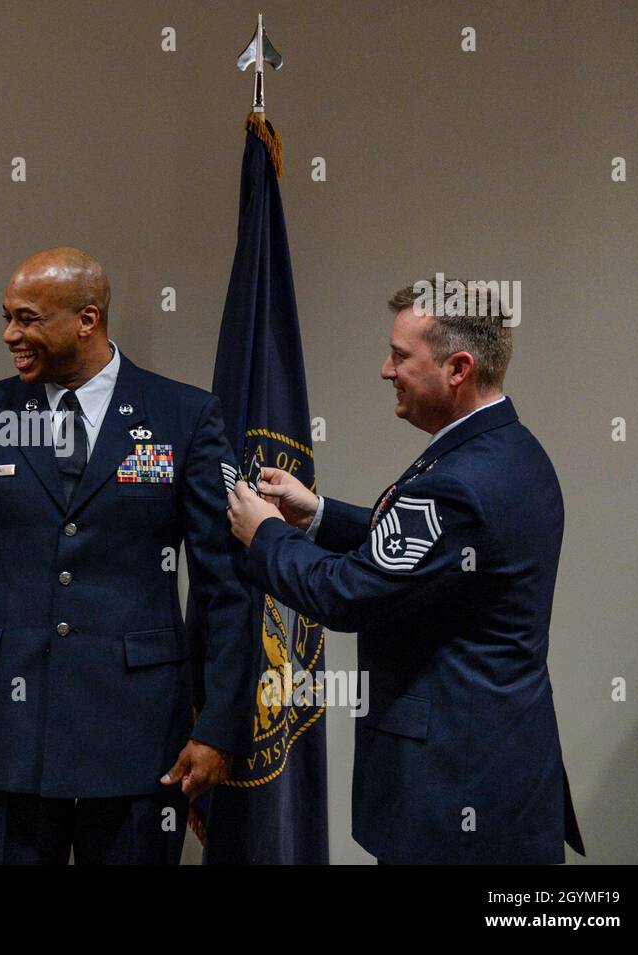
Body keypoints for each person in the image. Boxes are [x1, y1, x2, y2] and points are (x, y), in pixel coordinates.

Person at [0, 247, 255, 864]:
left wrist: (219, 723)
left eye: (28, 319)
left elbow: (223, 582)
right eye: (7, 318)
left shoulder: (183, 416)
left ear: (87, 320)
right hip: (7, 735)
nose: (10, 335)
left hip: (141, 734)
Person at [227, 280, 584, 864]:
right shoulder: (509, 449)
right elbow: (427, 554)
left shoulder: (460, 482)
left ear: (458, 368)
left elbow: (348, 594)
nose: (385, 370)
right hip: (499, 768)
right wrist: (316, 515)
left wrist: (262, 535)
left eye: (399, 355)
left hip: (453, 790)